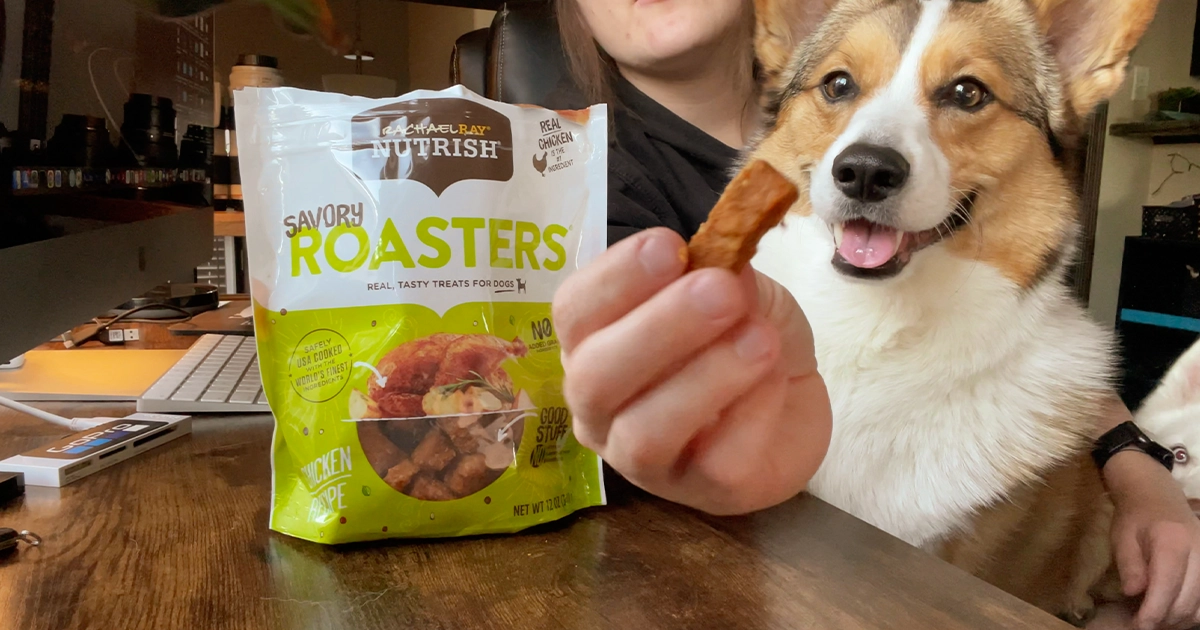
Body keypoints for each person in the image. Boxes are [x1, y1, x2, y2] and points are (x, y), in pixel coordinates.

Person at [546, 1, 1200, 629]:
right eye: (839, 85)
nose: (866, 156)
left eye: (967, 93)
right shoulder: (570, 177)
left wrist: (1138, 466)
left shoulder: (846, 40)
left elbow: (1048, 353)